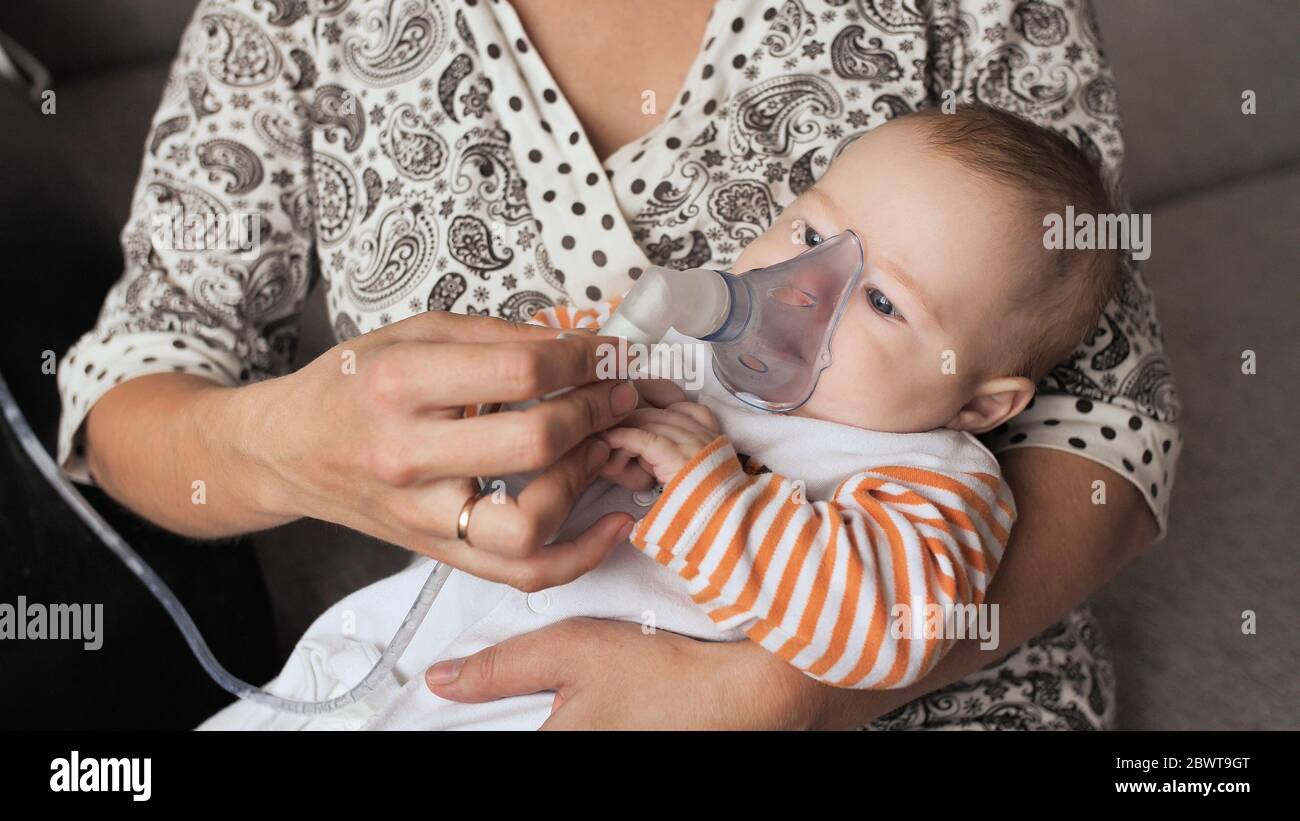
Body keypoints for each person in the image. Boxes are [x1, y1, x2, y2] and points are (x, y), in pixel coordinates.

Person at [59, 0, 1180, 729]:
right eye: (806, 234)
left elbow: (1097, 441)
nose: (805, 290)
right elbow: (140, 371)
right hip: (439, 660)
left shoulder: (933, 480)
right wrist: (320, 440)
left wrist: (766, 680)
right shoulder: (688, 360)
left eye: (882, 302)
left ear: (981, 401)